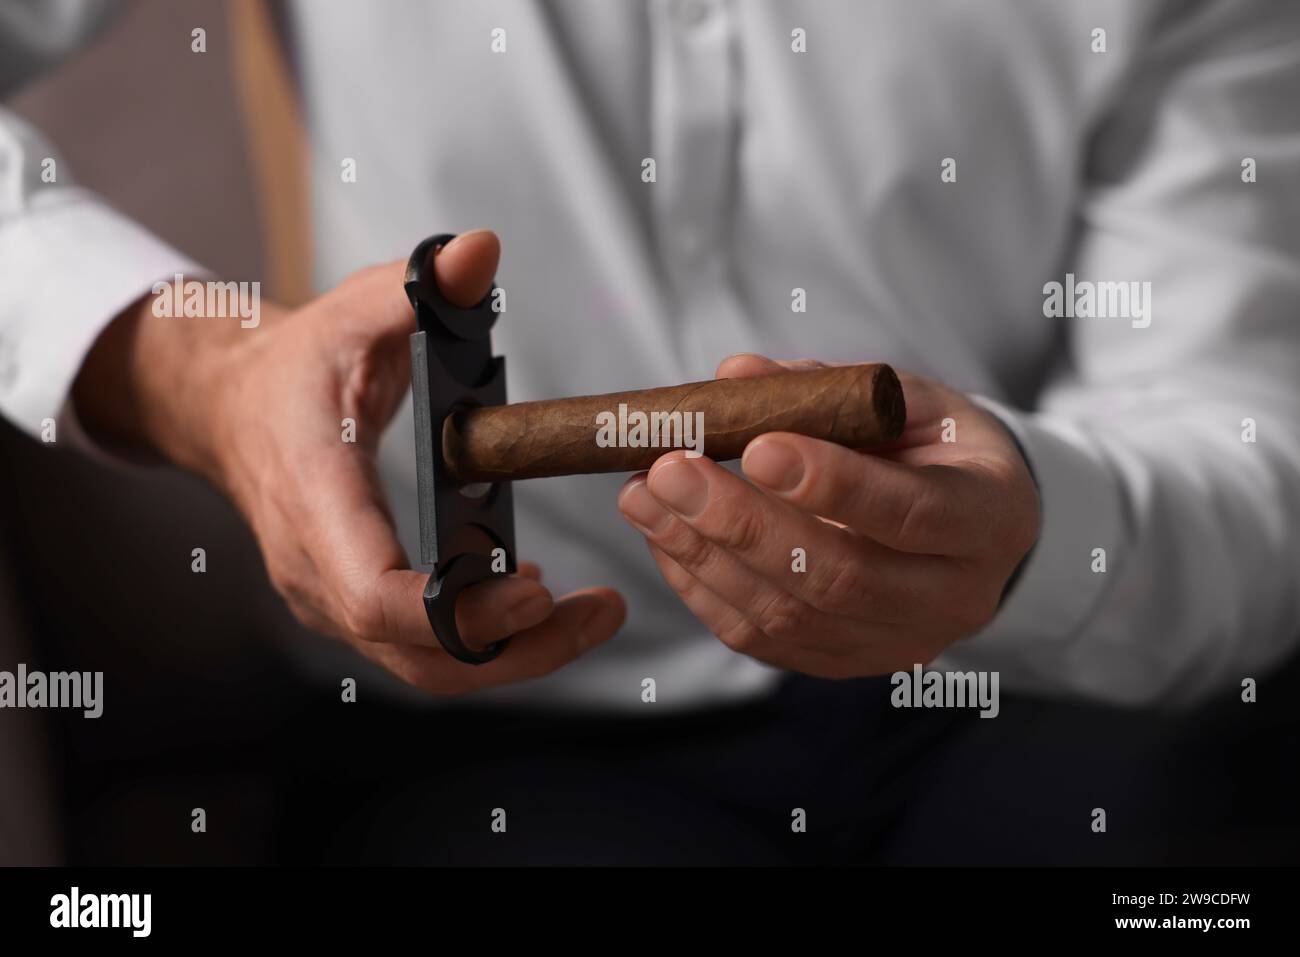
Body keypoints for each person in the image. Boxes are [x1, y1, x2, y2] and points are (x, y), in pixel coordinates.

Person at [2, 0, 1299, 864]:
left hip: (1023, 694)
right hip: (492, 714)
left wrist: (1029, 531)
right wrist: (189, 364)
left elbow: (1243, 439)